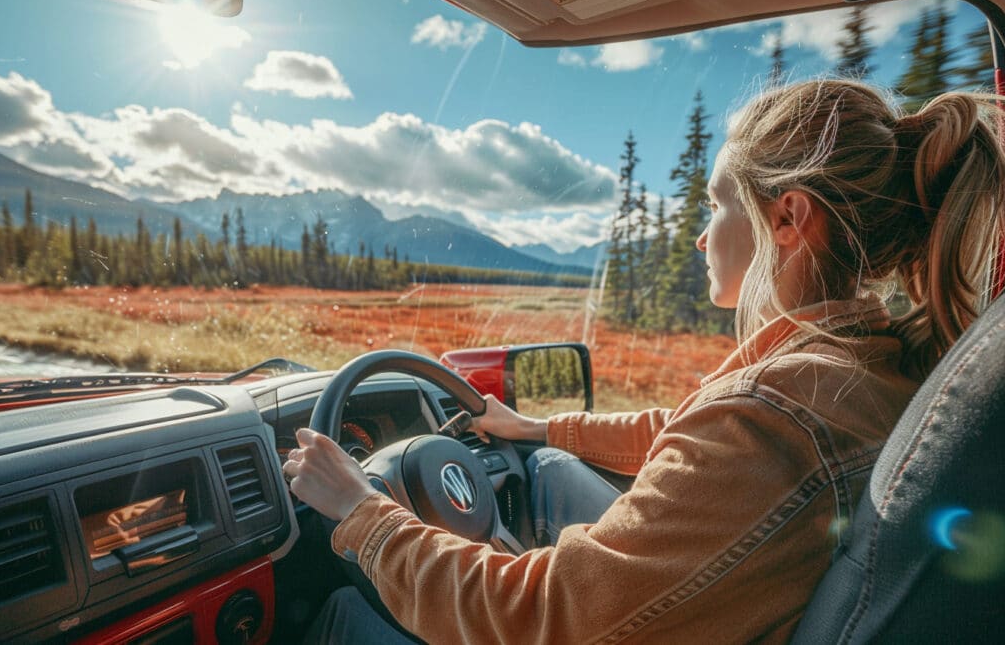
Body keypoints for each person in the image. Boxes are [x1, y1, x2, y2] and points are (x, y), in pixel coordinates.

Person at [283, 79, 1005, 644]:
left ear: (788, 218)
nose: (700, 236)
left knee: (345, 612)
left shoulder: (768, 413)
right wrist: (541, 429)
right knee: (551, 474)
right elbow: (688, 432)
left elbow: (543, 617)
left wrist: (361, 511)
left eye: (718, 205)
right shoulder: (868, 364)